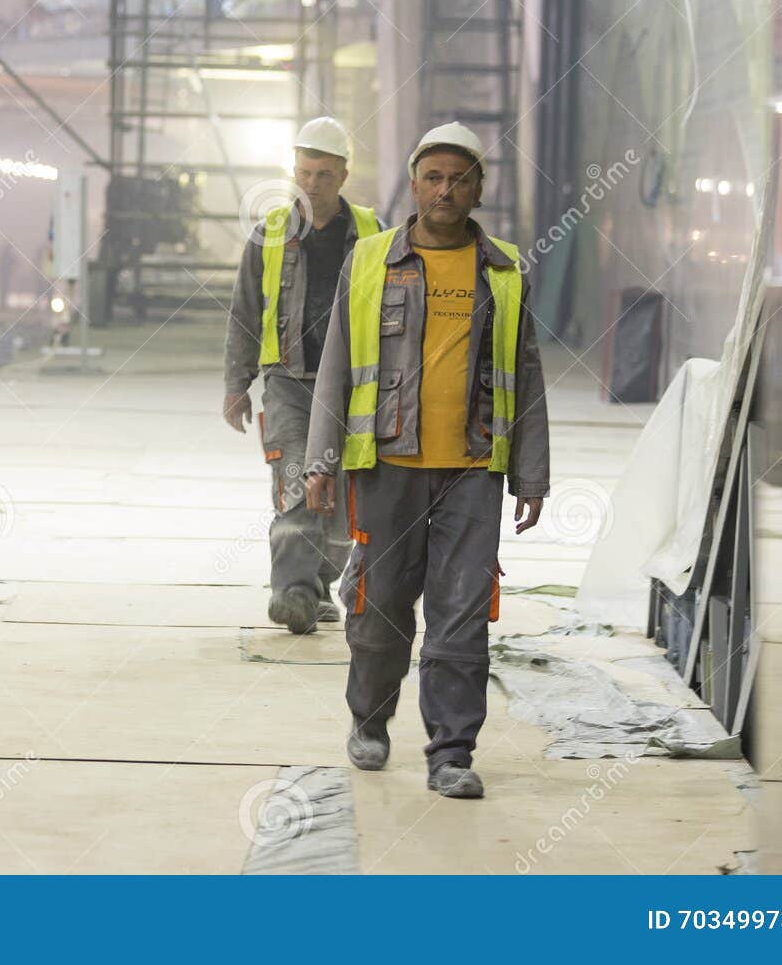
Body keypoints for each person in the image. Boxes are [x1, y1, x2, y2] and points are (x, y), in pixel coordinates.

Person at [303, 121, 550, 798]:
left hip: (473, 469)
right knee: (380, 607)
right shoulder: (372, 259)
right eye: (433, 177)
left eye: (460, 178)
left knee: (462, 611)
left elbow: (526, 375)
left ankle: (451, 751)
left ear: (478, 189)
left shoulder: (503, 270)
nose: (446, 189)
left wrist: (532, 473)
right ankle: (370, 719)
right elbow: (336, 365)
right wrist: (319, 458)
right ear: (414, 184)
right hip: (387, 466)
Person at [223, 117, 385, 635]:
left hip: (352, 385)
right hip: (290, 381)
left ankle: (317, 586)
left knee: (337, 494)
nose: (312, 183)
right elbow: (245, 313)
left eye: (322, 173)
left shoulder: (371, 234)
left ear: (342, 173)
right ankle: (291, 590)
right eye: (303, 173)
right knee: (296, 482)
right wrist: (236, 384)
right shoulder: (269, 234)